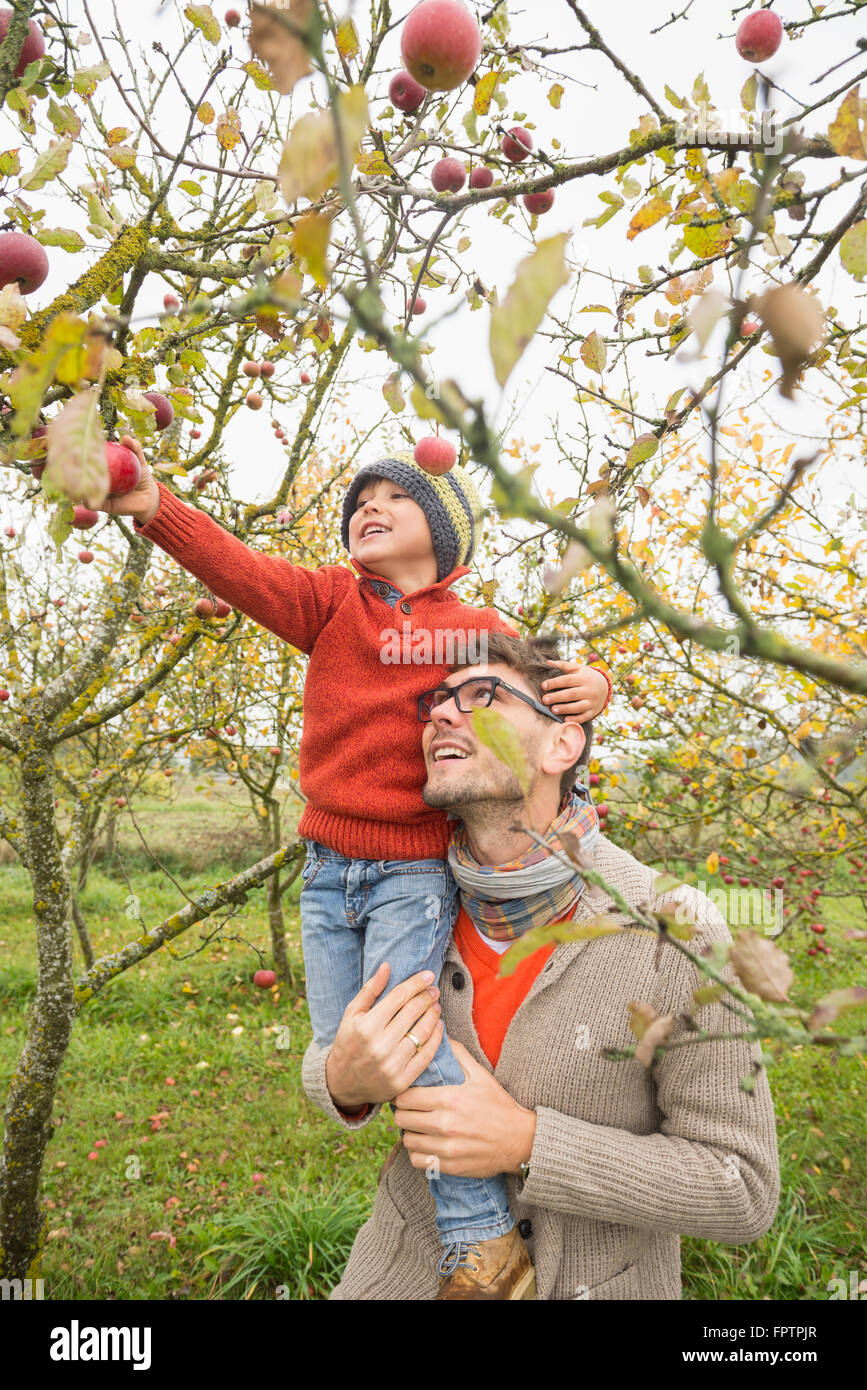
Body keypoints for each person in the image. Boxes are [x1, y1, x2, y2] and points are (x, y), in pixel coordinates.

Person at [109, 438, 612, 1296]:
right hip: (324, 868)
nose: (366, 507)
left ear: (444, 536)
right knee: (343, 1048)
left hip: (412, 873)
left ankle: (483, 1244)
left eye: (393, 497)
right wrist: (152, 501)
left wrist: (592, 684)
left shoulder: (477, 633)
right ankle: (475, 1213)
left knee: (407, 1040)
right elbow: (233, 566)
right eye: (358, 501)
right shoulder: (329, 605)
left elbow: (548, 693)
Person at [303, 632, 781, 1300]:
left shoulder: (677, 933)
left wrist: (528, 1143)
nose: (439, 713)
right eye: (438, 700)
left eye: (480, 696)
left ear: (563, 743)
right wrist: (340, 1079)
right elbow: (333, 1044)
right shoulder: (398, 901)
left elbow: (741, 1189)